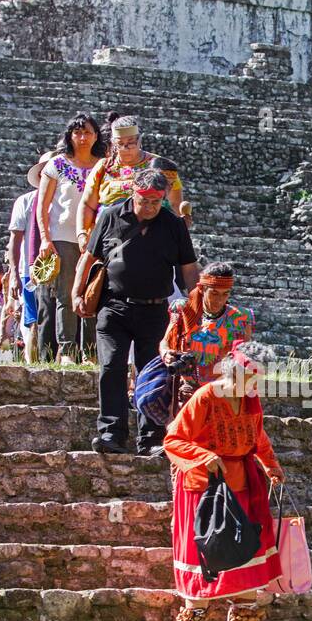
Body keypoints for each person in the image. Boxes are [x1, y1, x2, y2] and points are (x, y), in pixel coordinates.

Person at [164, 340, 285, 621]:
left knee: (244, 551)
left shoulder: (250, 402)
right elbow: (173, 440)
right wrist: (205, 458)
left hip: (241, 486)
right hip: (204, 491)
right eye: (254, 377)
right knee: (204, 552)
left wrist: (271, 466)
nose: (258, 384)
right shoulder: (206, 397)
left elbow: (258, 438)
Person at [76, 168, 200, 456]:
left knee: (152, 374)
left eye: (156, 202)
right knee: (111, 367)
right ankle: (111, 433)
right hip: (113, 306)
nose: (150, 208)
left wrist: (196, 306)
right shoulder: (109, 216)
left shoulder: (174, 226)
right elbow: (89, 257)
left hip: (155, 310)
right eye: (145, 201)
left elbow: (189, 269)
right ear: (133, 192)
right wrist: (77, 292)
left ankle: (151, 438)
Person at [35, 112, 107, 363]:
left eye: (87, 132)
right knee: (66, 294)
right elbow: (42, 207)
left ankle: (89, 352)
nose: (83, 137)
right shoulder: (56, 165)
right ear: (70, 135)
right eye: (77, 132)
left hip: (96, 238)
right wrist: (45, 239)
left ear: (96, 135)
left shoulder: (105, 165)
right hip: (63, 237)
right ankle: (66, 349)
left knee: (92, 294)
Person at [76, 115, 190, 247]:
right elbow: (87, 204)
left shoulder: (159, 165)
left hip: (151, 236)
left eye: (131, 142)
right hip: (108, 236)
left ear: (139, 140)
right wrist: (82, 234)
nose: (126, 148)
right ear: (113, 143)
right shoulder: (104, 166)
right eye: (120, 144)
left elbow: (176, 203)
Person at [161, 262, 254, 409]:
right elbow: (165, 342)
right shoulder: (182, 310)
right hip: (185, 392)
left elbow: (244, 358)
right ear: (202, 289)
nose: (219, 300)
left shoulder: (240, 319)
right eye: (214, 293)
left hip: (221, 395)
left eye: (225, 294)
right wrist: (166, 354)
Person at [6, 183, 41, 362]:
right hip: (32, 270)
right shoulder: (26, 201)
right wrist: (14, 275)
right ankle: (33, 361)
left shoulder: (63, 199)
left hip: (59, 267)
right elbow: (15, 240)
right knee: (32, 320)